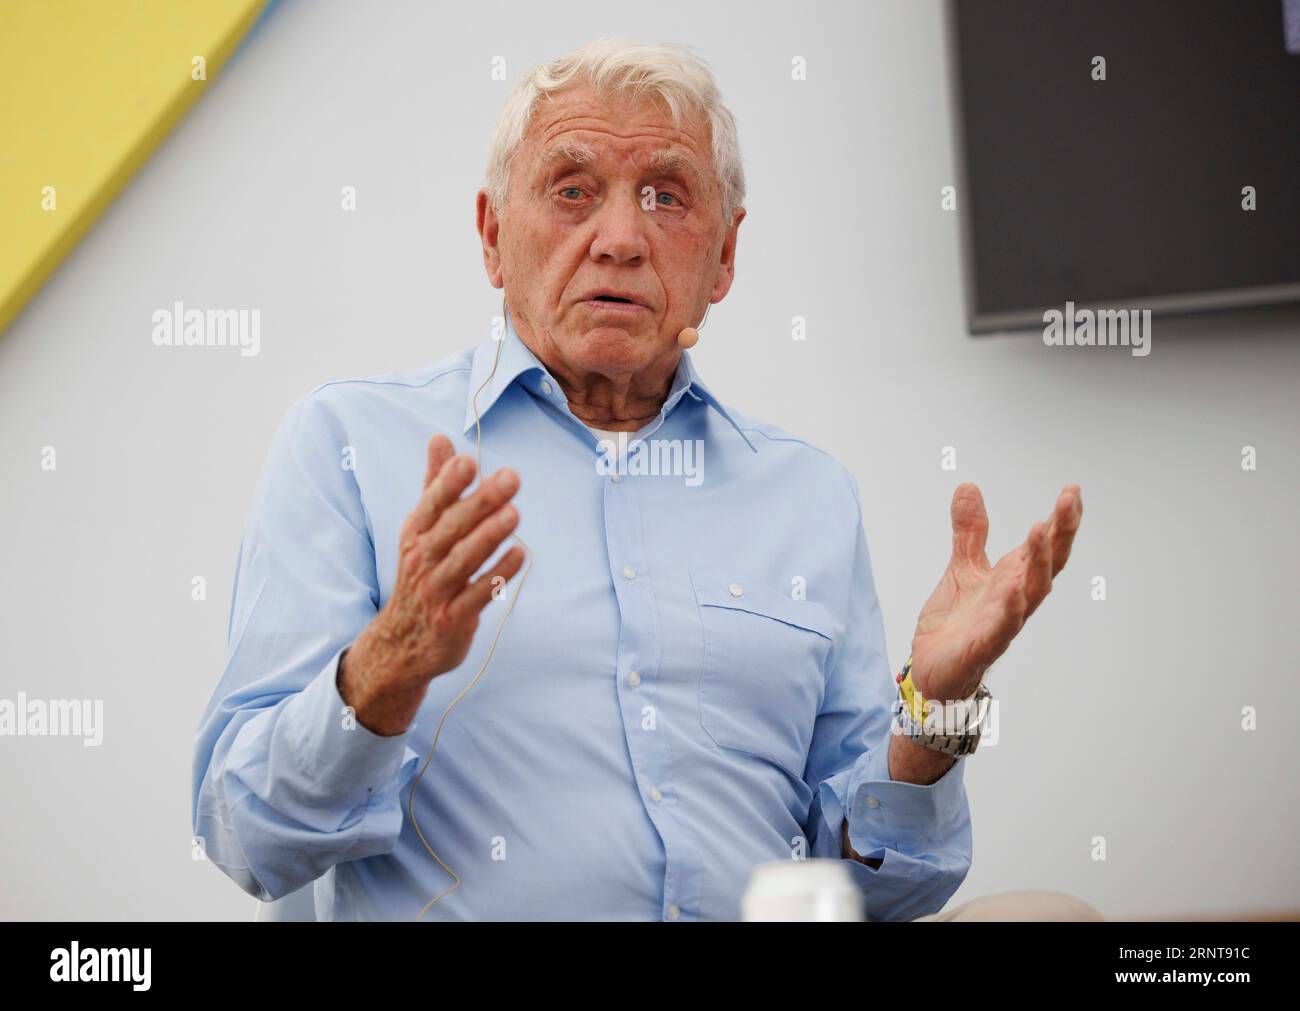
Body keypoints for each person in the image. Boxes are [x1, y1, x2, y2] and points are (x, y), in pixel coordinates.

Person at [192, 38, 1098, 922]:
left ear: (726, 258)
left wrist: (933, 721)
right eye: (572, 190)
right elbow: (245, 838)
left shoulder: (810, 495)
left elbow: (876, 893)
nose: (619, 238)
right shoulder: (350, 444)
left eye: (666, 196)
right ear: (493, 234)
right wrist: (385, 668)